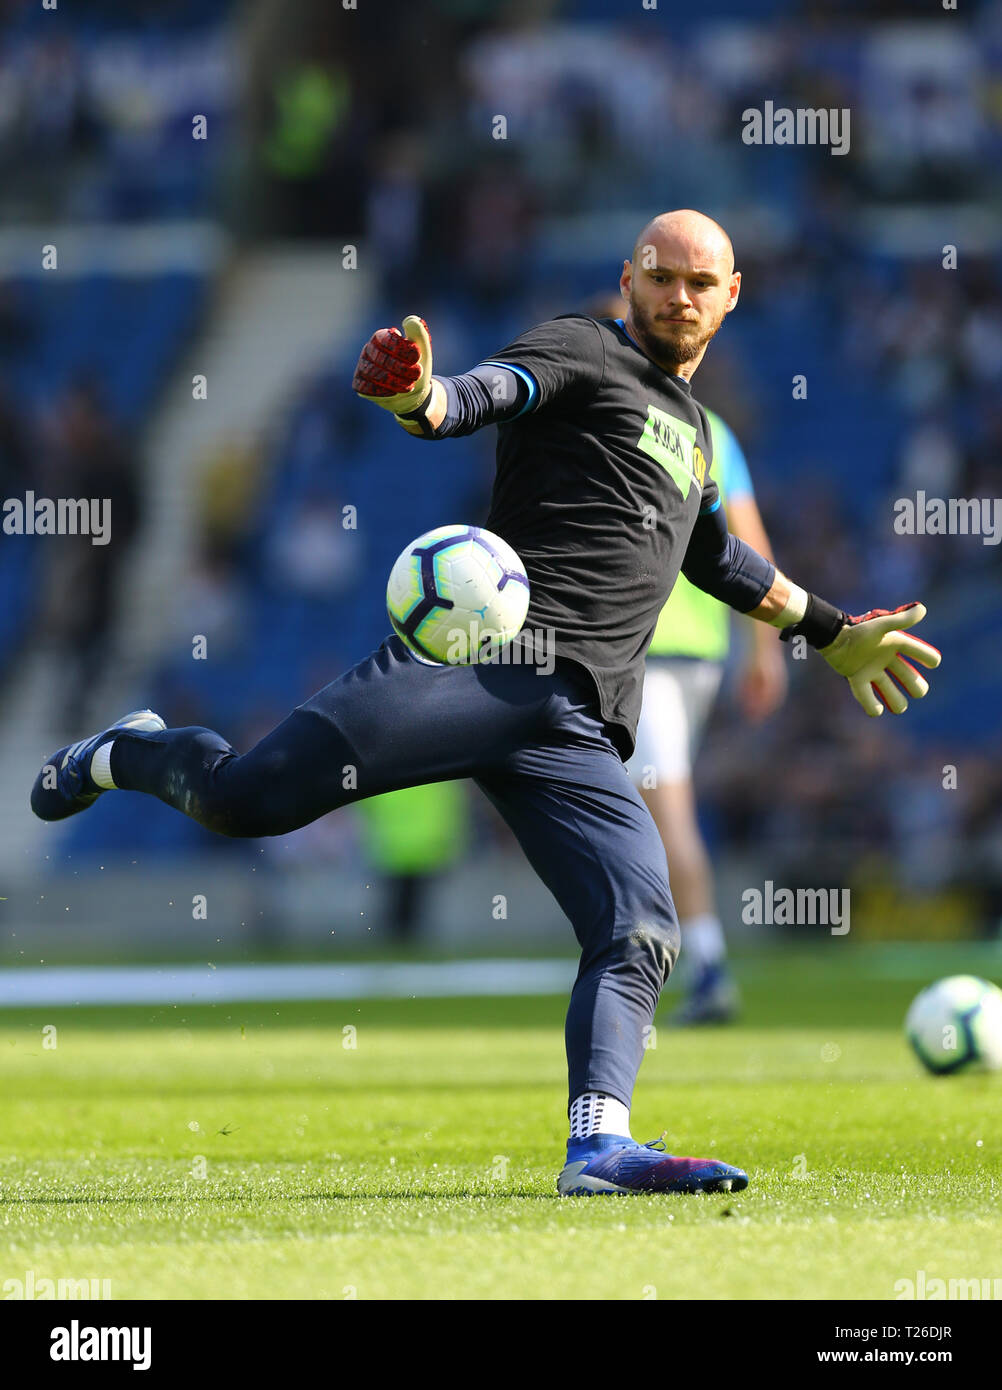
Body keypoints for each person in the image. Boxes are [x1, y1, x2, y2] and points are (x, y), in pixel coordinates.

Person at [31, 210, 940, 1197]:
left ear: (731, 297)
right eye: (661, 275)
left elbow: (719, 557)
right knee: (245, 801)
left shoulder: (695, 435)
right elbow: (486, 393)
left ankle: (598, 1148)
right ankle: (130, 751)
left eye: (700, 281)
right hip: (483, 665)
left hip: (578, 725)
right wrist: (422, 396)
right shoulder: (583, 346)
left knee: (642, 929)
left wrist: (831, 632)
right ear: (626, 280)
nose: (680, 294)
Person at [627, 404, 787, 1024]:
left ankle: (708, 968)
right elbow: (750, 543)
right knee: (642, 807)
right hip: (699, 655)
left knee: (666, 813)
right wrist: (762, 648)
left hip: (645, 651)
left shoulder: (606, 403)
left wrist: (766, 649)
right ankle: (644, 948)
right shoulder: (713, 426)